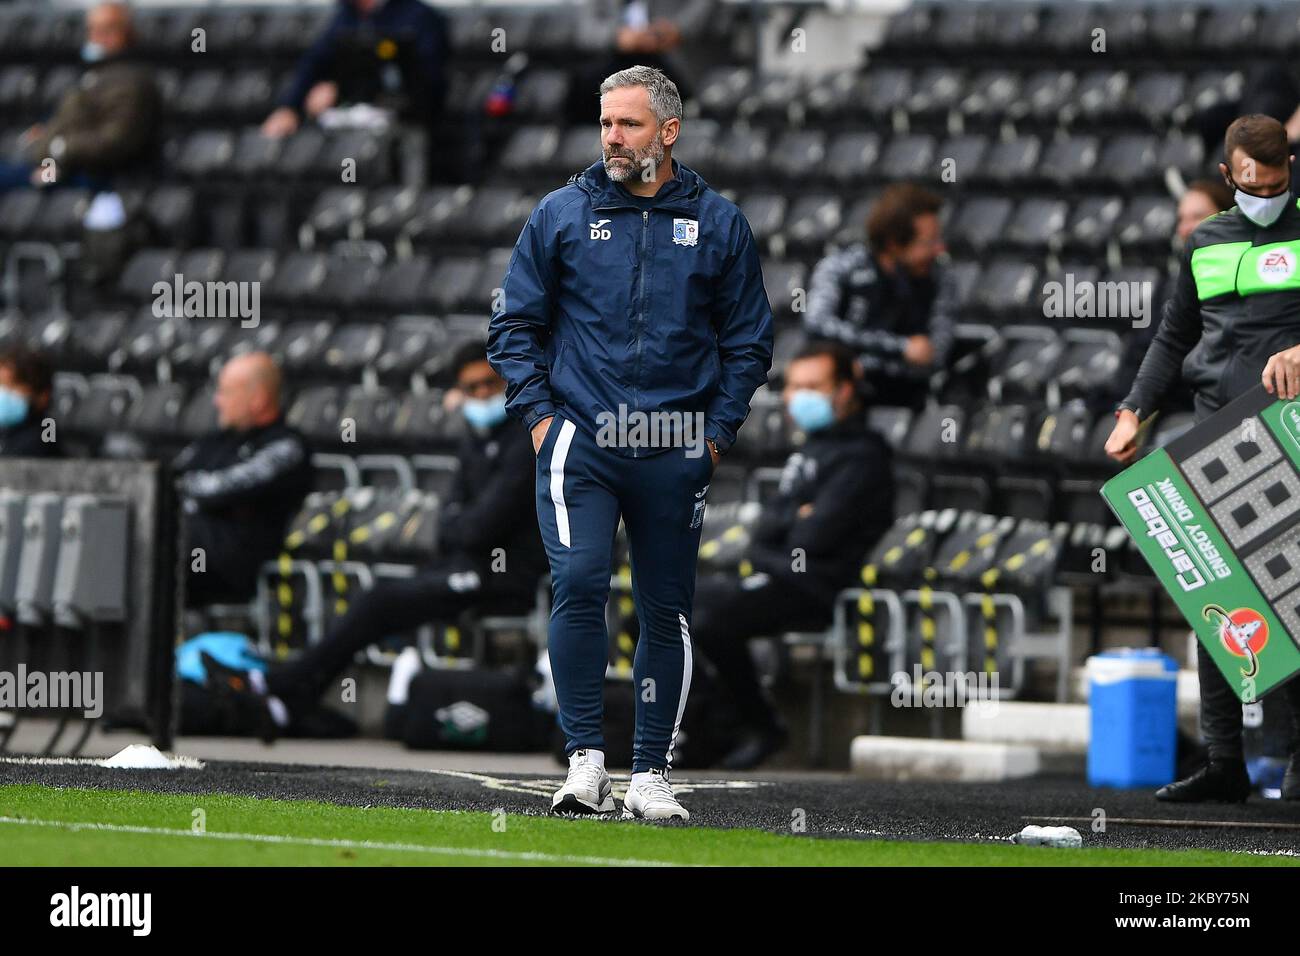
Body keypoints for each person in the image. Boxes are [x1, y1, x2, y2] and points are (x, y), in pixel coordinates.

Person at [488, 65, 773, 820]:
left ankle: (651, 771)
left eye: (629, 124)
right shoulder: (560, 213)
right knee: (580, 583)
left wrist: (714, 435)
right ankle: (585, 762)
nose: (612, 137)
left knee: (665, 607)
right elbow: (513, 326)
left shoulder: (719, 224)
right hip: (580, 441)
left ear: (668, 132)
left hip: (676, 444)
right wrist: (543, 419)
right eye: (606, 122)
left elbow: (749, 343)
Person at [201, 343, 547, 737]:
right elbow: (451, 520)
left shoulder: (524, 442)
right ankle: (285, 704)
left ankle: (277, 687)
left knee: (379, 600)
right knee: (376, 599)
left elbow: (480, 525)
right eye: (472, 388)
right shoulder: (475, 439)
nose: (482, 394)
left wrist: (460, 526)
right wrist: (460, 526)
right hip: (462, 566)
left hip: (508, 575)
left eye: (490, 383)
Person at [1106, 114, 1300, 803]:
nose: (1264, 195)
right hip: (1214, 431)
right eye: (1251, 185)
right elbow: (1171, 338)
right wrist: (1135, 410)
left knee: (1292, 596)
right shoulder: (1204, 242)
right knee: (1214, 595)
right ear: (1226, 177)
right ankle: (1226, 763)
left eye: (1276, 184)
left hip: (1289, 432)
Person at [693, 341, 893, 769]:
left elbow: (812, 539)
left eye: (813, 386)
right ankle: (708, 727)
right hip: (776, 574)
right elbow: (767, 530)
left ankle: (762, 726)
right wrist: (788, 526)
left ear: (845, 390)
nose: (799, 396)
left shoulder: (864, 456)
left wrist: (786, 531)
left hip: (815, 588)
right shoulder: (809, 449)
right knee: (657, 609)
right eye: (794, 386)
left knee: (711, 624)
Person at [174, 353, 313, 608]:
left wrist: (184, 490)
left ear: (258, 399)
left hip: (233, 566)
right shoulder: (215, 441)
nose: (217, 401)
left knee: (160, 545)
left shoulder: (285, 446)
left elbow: (219, 490)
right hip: (189, 549)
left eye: (225, 392)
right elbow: (172, 478)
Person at [802, 184, 955, 410]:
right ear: (894, 243)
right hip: (842, 399)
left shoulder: (940, 280)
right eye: (928, 242)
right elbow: (817, 323)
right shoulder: (843, 267)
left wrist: (869, 362)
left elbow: (933, 352)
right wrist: (900, 348)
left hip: (907, 400)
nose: (939, 249)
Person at [1088, 179, 1232, 418]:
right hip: (1171, 406)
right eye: (1181, 219)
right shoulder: (1175, 284)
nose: (1186, 229)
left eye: (1197, 216)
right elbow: (1146, 347)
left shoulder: (1253, 274)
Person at [2, 2, 161, 191]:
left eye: (106, 29)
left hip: (91, 175)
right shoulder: (93, 76)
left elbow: (115, 142)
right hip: (57, 165)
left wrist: (60, 147)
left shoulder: (133, 83)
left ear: (125, 33)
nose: (96, 37)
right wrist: (46, 135)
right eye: (92, 29)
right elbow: (71, 120)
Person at [260, 0, 449, 138]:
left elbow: (423, 81)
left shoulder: (418, 17)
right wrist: (289, 107)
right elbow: (313, 62)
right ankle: (346, 183)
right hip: (349, 115)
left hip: (405, 121)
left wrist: (340, 90)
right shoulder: (346, 16)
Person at [0, 346, 58, 458]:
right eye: (1, 385)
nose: (3, 394)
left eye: (12, 387)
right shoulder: (7, 431)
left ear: (42, 395)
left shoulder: (45, 435)